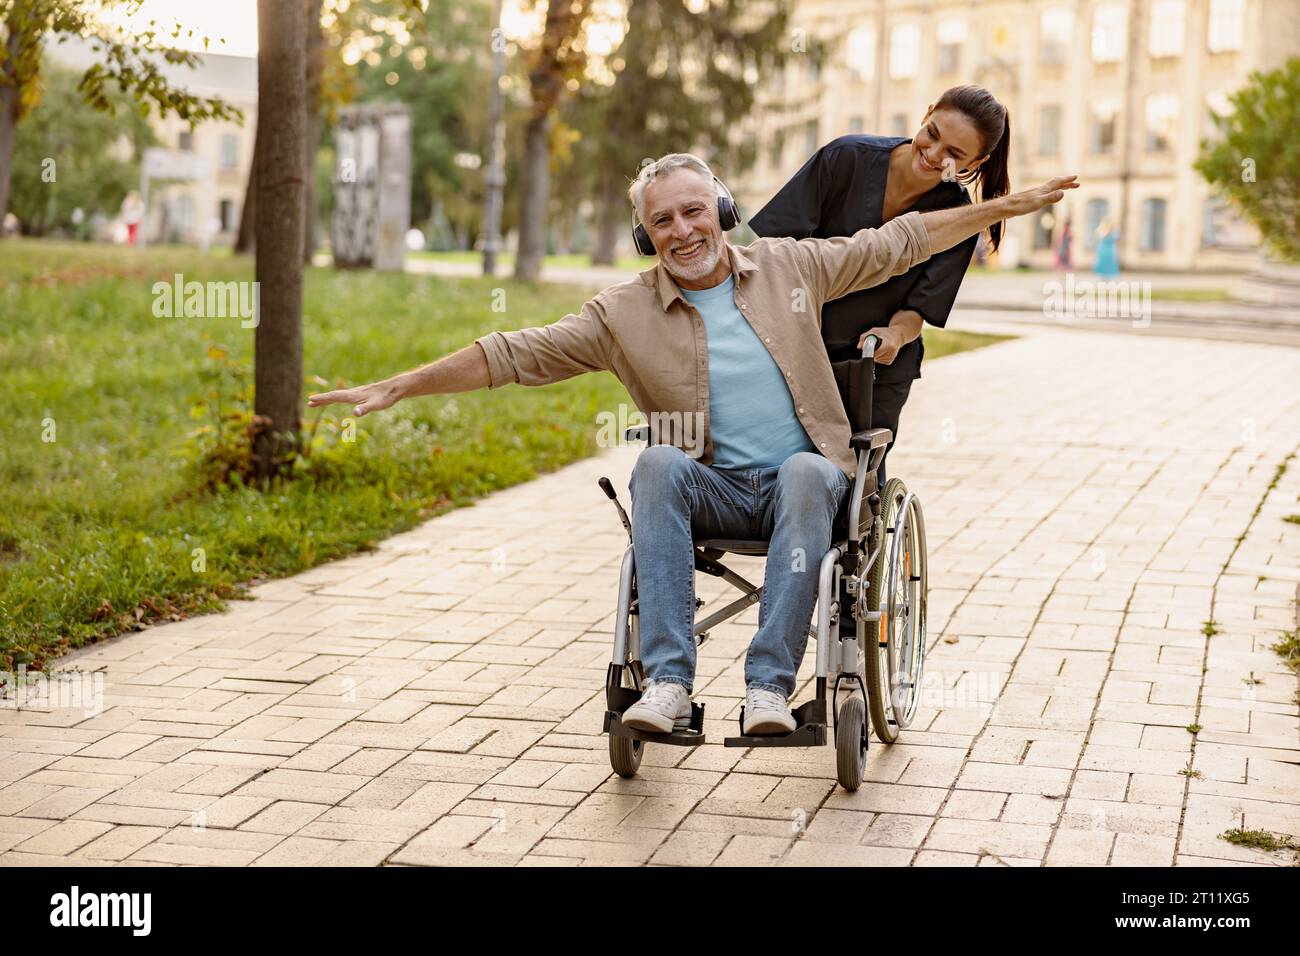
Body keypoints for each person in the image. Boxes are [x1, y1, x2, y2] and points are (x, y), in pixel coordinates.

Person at [308, 153, 1077, 736]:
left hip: (802, 486)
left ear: (723, 211)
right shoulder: (621, 314)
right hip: (711, 486)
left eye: (693, 211)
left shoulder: (791, 266)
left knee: (811, 471)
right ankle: (669, 685)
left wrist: (1001, 207)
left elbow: (900, 242)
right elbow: (514, 352)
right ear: (647, 235)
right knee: (656, 462)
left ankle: (768, 688)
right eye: (664, 221)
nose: (682, 231)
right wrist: (400, 385)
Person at [749, 85, 1013, 489]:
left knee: (853, 479)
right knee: (780, 466)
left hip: (874, 368)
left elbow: (917, 311)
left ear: (977, 161)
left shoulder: (957, 218)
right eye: (933, 132)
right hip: (798, 349)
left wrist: (895, 333)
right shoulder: (845, 160)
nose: (934, 154)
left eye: (955, 155)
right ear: (926, 114)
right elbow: (768, 255)